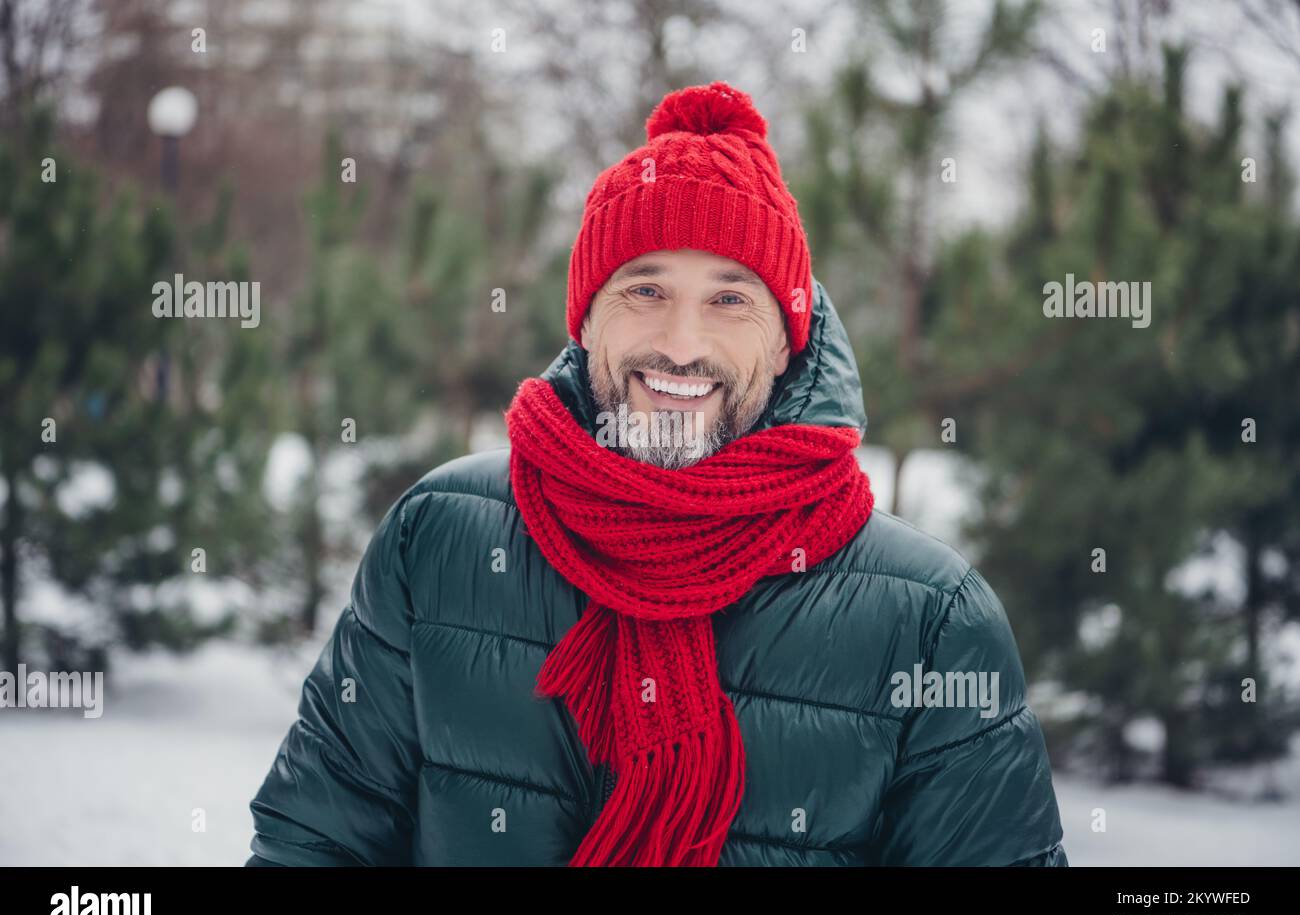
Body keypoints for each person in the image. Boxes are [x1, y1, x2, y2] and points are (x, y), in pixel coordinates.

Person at [246, 80, 1068, 867]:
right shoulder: (440, 534)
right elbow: (316, 841)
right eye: (645, 288)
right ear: (587, 316)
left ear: (786, 342)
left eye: (730, 299)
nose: (681, 343)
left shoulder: (930, 618)